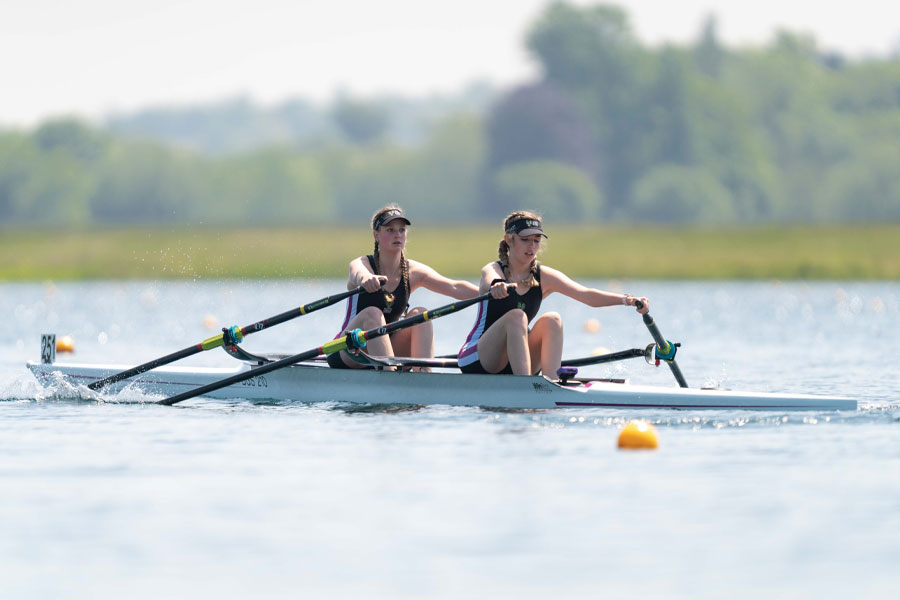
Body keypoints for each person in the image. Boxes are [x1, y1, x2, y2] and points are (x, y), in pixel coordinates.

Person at [458, 210, 650, 377]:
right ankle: (525, 389)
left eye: (536, 240)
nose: (532, 247)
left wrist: (627, 300)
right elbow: (491, 277)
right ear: (509, 239)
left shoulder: (544, 276)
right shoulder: (493, 269)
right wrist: (498, 285)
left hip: (516, 358)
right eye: (525, 240)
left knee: (553, 319)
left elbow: (586, 294)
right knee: (517, 316)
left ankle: (551, 385)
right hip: (479, 358)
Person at [327, 204, 479, 369]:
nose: (397, 235)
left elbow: (454, 287)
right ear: (376, 235)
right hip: (350, 350)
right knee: (373, 313)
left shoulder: (413, 272)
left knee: (421, 315)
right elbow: (358, 273)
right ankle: (390, 380)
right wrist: (367, 279)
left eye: (401, 230)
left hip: (387, 348)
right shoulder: (363, 264)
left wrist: (491, 292)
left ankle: (424, 381)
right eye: (390, 230)